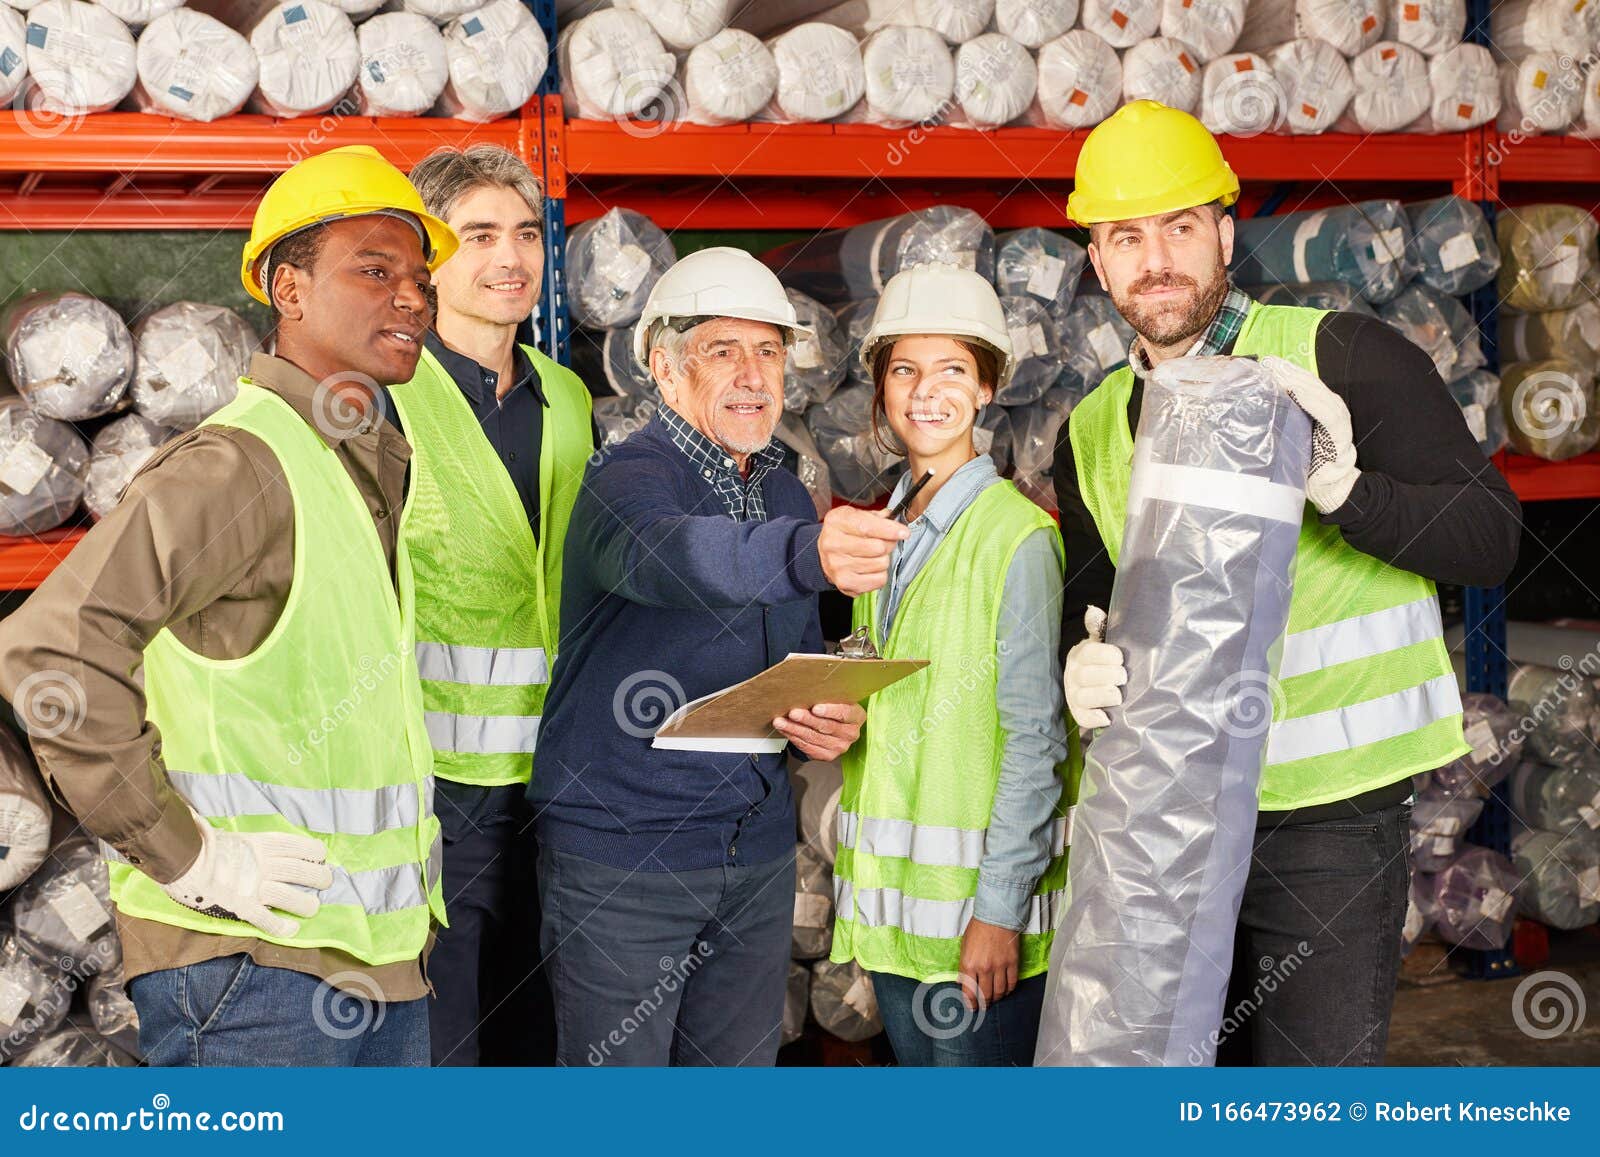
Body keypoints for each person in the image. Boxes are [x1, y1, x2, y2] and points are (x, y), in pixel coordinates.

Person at [1045, 101, 1522, 1066]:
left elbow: (1491, 539)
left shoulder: (1340, 357)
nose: (1155, 260)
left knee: (1311, 1104)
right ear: (1097, 261)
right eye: (1126, 237)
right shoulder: (1089, 430)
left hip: (1328, 822)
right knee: (1178, 1094)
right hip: (1169, 824)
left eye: (1180, 227)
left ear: (1225, 235)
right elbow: (1089, 607)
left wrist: (1347, 493)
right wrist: (1075, 665)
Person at [0, 145, 456, 1066]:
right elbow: (50, 648)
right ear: (289, 290)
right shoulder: (239, 464)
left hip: (378, 961)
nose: (413, 298)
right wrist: (191, 856)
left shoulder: (356, 460)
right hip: (253, 975)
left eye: (422, 280)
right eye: (376, 271)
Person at [530, 246, 909, 1066]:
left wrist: (825, 715)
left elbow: (787, 660)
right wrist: (809, 552)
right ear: (665, 370)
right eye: (722, 349)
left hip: (754, 857)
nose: (752, 374)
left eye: (768, 350)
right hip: (627, 860)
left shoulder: (783, 488)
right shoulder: (625, 480)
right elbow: (671, 556)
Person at [829, 263, 1073, 1067]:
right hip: (899, 921)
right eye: (904, 369)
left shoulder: (1018, 539)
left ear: (987, 387)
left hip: (979, 926)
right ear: (880, 387)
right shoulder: (882, 531)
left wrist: (998, 912)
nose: (925, 392)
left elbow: (1036, 739)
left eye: (952, 370)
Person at [381, 144, 592, 1067]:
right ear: (429, 258)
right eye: (478, 236)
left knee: (543, 1027)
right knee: (446, 1035)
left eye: (527, 234)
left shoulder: (568, 396)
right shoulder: (386, 399)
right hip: (439, 784)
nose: (511, 257)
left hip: (560, 774)